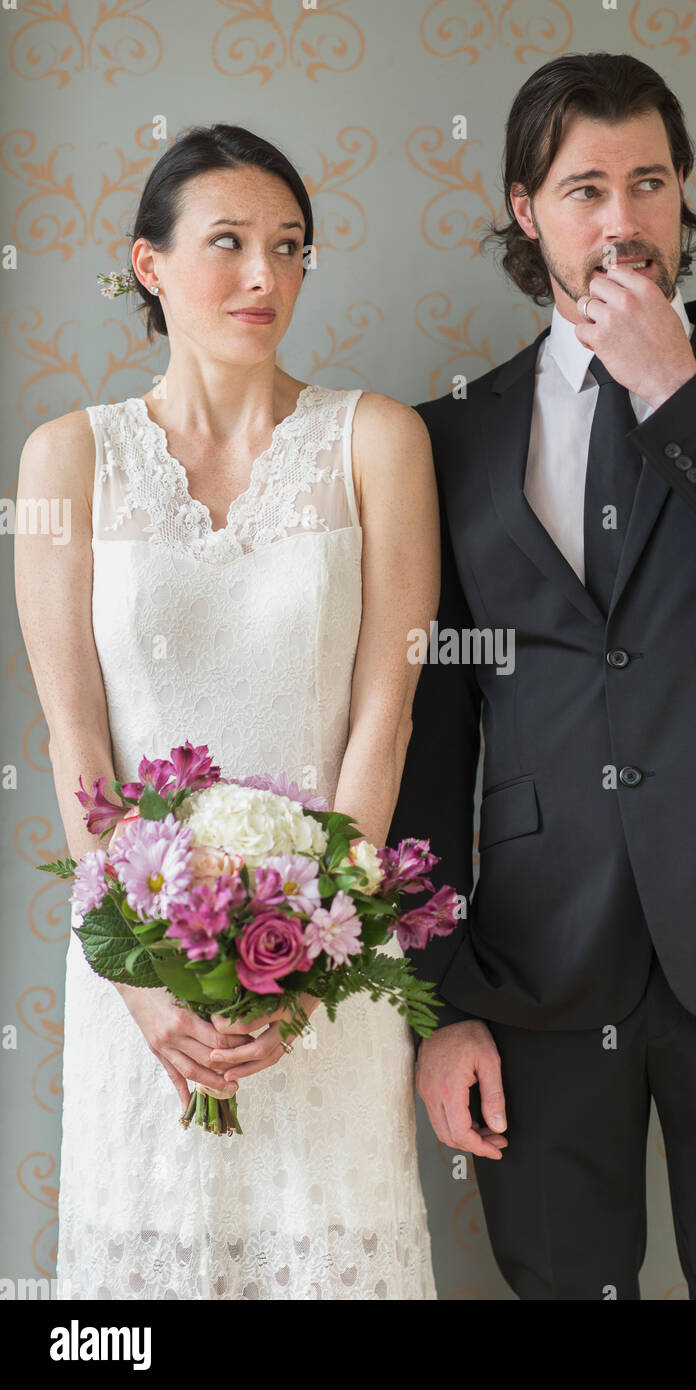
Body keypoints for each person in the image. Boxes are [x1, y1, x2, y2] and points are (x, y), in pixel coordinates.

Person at [389, 52, 696, 1300]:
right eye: (585, 188)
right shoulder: (444, 439)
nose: (623, 220)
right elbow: (429, 731)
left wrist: (673, 389)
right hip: (531, 971)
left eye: (650, 182)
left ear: (684, 193)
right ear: (526, 209)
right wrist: (432, 1002)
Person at [14, 123, 439, 1300]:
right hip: (138, 965)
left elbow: (383, 716)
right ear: (149, 263)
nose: (267, 277)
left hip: (330, 965)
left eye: (291, 247)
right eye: (231, 244)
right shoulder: (65, 460)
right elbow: (77, 736)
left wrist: (307, 959)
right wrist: (146, 987)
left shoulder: (379, 439)